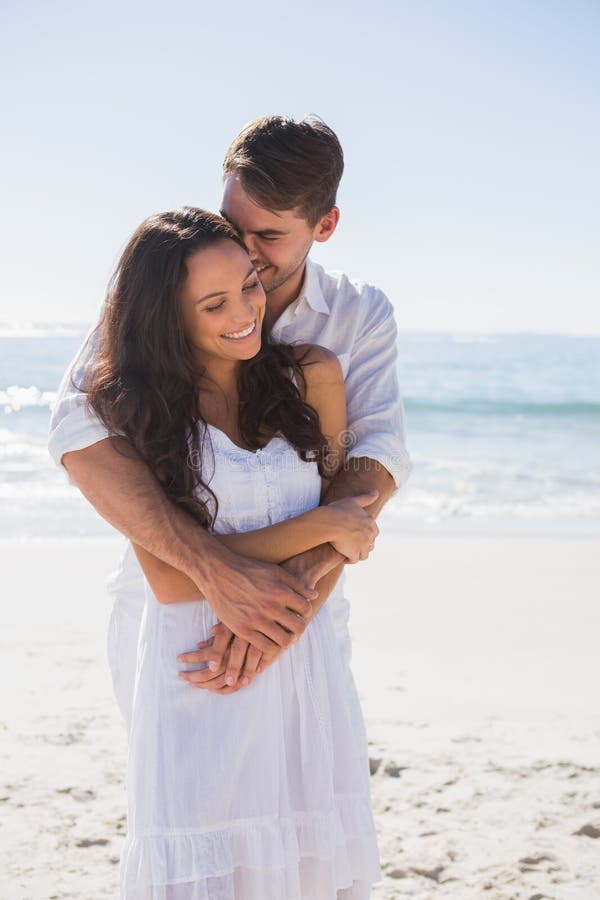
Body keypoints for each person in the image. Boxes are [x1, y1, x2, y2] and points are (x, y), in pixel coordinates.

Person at [48, 115, 411, 722]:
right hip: (172, 622)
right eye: (232, 224)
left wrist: (287, 601)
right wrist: (212, 570)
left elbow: (377, 452)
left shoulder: (357, 316)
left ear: (325, 226)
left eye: (268, 236)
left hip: (303, 615)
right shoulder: (166, 290)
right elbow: (78, 429)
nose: (242, 251)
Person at [84, 206, 382, 897]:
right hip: (205, 670)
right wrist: (323, 523)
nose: (246, 311)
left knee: (311, 866)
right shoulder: (140, 408)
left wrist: (327, 539)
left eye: (248, 285)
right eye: (213, 304)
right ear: (167, 317)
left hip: (302, 663)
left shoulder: (314, 375)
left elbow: (348, 527)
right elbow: (170, 576)